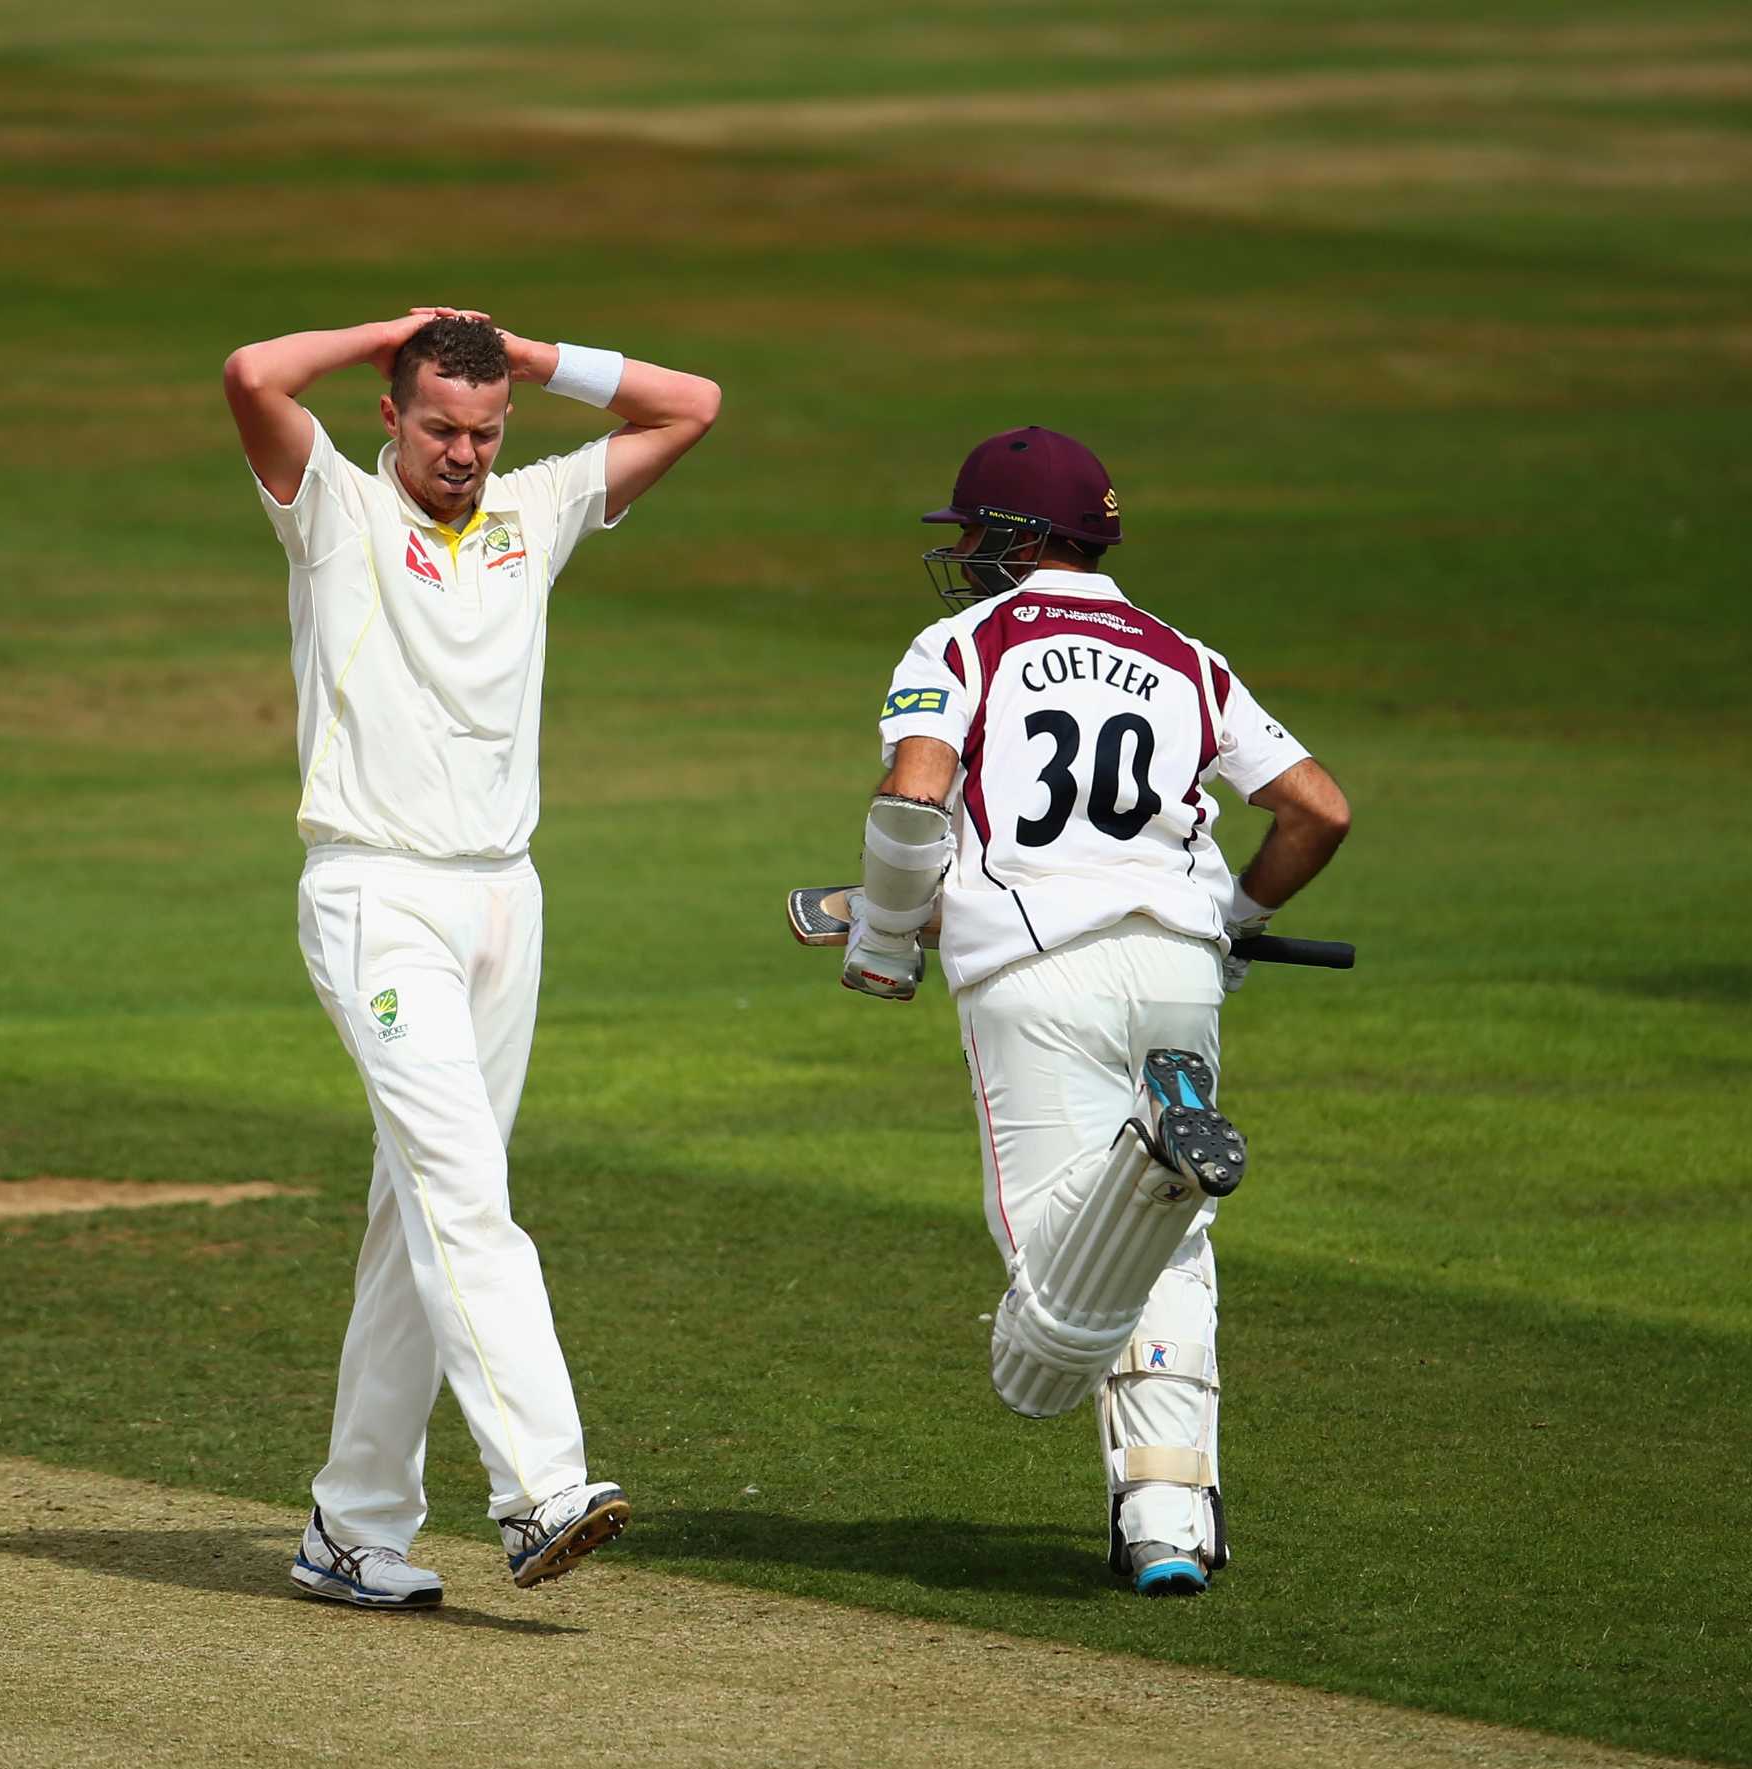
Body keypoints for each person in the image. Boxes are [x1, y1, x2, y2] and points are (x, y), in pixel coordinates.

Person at [221, 308, 719, 1606]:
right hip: (375, 891)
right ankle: (540, 1485)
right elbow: (253, 374)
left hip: (507, 899)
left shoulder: (534, 510)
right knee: (460, 1192)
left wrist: (538, 358)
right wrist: (397, 327)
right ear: (389, 415)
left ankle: (350, 1525)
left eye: (487, 431)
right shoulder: (332, 504)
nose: (464, 452)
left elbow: (692, 403)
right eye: (440, 426)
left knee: (421, 1213)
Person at [840, 428, 1349, 1595]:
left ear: (1017, 541)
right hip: (1177, 967)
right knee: (1175, 1247)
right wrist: (1233, 920)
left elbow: (916, 800)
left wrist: (879, 941)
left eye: (974, 533)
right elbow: (1317, 811)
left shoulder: (961, 640)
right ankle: (1167, 1520)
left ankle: (1147, 1161)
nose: (963, 552)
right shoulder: (1187, 656)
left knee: (1049, 1317)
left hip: (1033, 972)